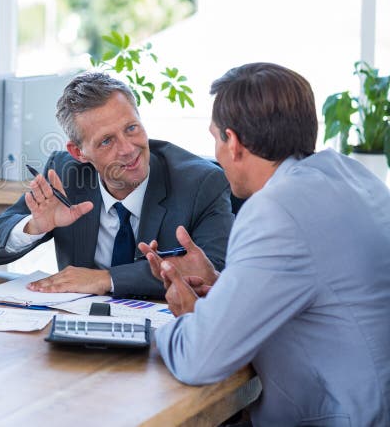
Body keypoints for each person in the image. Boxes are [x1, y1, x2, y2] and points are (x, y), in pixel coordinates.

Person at [141, 63, 390, 425]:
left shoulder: (276, 210)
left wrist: (183, 316)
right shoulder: (351, 176)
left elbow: (198, 358)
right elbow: (314, 290)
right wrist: (223, 284)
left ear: (234, 143)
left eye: (215, 138)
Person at [0, 72, 234, 297]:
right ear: (79, 153)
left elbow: (211, 270)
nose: (128, 149)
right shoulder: (66, 174)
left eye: (131, 128)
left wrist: (103, 279)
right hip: (79, 335)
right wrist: (34, 226)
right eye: (106, 141)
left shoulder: (201, 183)